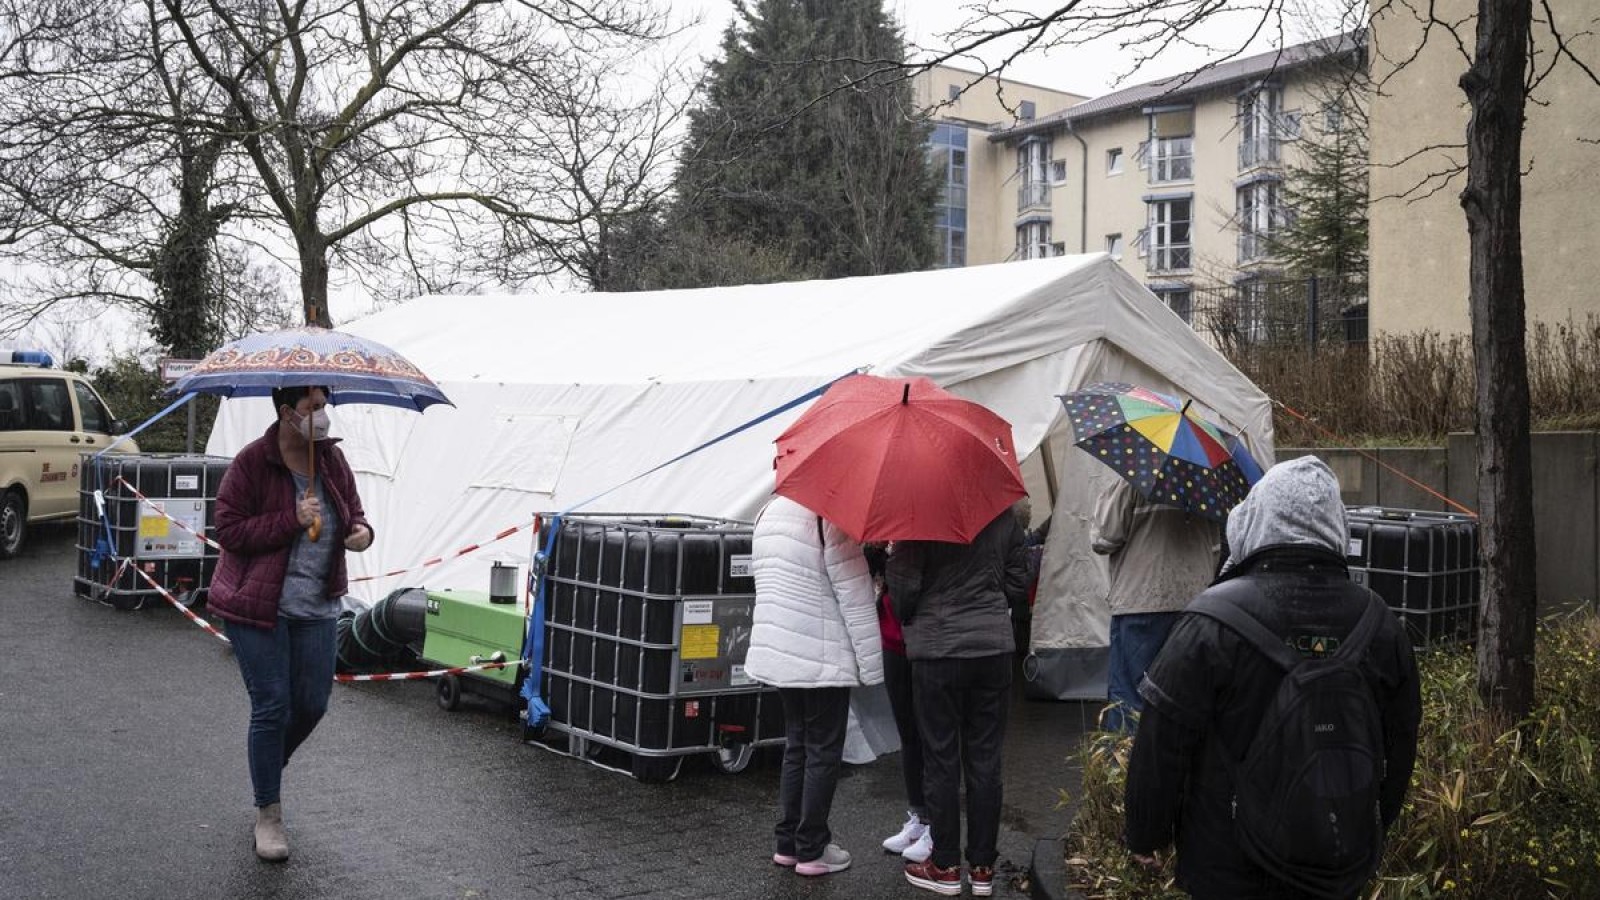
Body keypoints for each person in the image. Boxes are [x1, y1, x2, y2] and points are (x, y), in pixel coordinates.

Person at [1124, 457, 1422, 899]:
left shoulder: (1212, 619)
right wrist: (1369, 824)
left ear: (1258, 517)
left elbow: (1162, 739)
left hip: (1227, 862)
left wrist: (1146, 833)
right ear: (1336, 525)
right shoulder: (1379, 622)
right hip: (1336, 861)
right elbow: (1400, 741)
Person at [210, 386, 374, 862]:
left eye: (324, 407)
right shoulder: (252, 462)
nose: (321, 416)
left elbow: (355, 515)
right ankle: (269, 814)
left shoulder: (332, 462)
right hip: (258, 606)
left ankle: (267, 766)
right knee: (272, 705)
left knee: (313, 704)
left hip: (317, 607)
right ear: (287, 413)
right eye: (312, 408)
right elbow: (230, 531)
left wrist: (361, 533)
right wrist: (290, 518)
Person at [887, 504, 1029, 897]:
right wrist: (990, 601)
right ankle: (982, 867)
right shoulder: (1003, 515)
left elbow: (902, 588)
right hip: (992, 649)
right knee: (986, 758)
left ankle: (945, 865)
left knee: (940, 757)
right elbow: (1020, 579)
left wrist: (918, 615)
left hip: (937, 652)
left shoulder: (919, 515)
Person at [744, 494, 883, 878]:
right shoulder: (830, 520)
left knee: (797, 747)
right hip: (822, 658)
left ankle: (787, 844)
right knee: (823, 752)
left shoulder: (767, 513)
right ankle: (813, 849)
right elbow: (855, 598)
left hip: (780, 654)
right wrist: (872, 668)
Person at [1091, 477, 1221, 731]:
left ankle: (1127, 767)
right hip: (1194, 606)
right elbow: (1215, 547)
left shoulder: (1134, 480)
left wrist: (1106, 498)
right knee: (1183, 694)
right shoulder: (1205, 485)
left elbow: (1103, 539)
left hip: (1141, 602)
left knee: (1131, 696)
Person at [866, 542, 932, 865]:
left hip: (925, 641)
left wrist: (896, 562)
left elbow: (912, 593)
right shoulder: (886, 534)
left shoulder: (924, 533)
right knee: (907, 733)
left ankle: (936, 822)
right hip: (892, 642)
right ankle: (918, 816)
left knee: (930, 735)